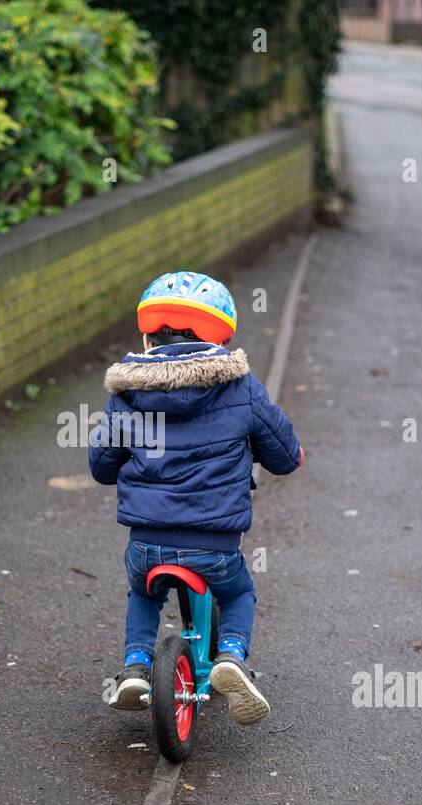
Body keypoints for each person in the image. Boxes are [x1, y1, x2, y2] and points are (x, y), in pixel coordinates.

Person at [89, 271, 303, 725]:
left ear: (148, 335)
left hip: (147, 543)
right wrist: (291, 453)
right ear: (220, 335)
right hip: (215, 545)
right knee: (241, 591)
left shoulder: (126, 394)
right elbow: (282, 457)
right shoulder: (240, 388)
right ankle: (229, 657)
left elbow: (101, 466)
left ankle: (135, 667)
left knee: (143, 595)